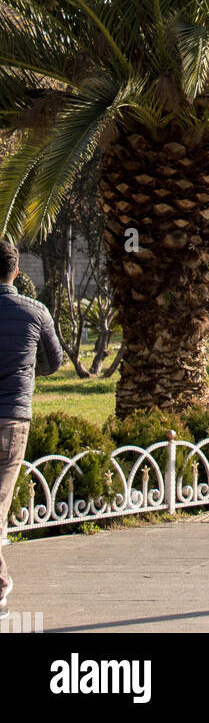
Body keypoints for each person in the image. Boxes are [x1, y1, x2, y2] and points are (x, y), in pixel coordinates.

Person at [0, 238, 63, 620]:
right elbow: (54, 362)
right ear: (17, 272)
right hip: (12, 420)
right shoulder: (34, 311)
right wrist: (26, 368)